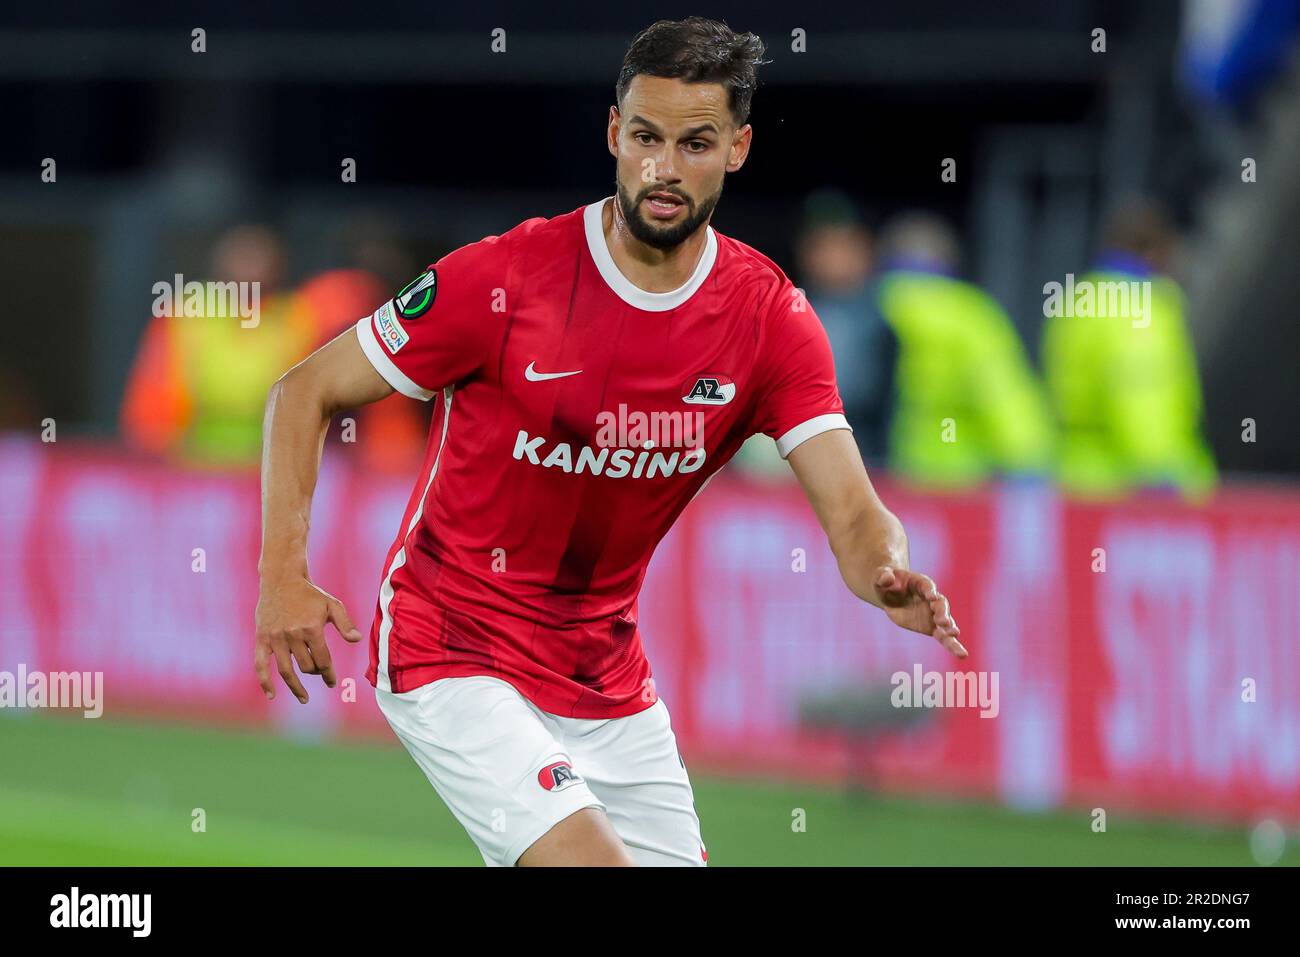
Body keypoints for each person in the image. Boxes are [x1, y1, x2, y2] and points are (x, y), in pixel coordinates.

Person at [254, 17, 964, 868]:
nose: (665, 168)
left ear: (737, 148)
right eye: (647, 137)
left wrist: (884, 571)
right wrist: (282, 576)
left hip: (605, 679)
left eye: (695, 143)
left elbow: (854, 512)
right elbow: (303, 391)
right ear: (614, 134)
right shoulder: (506, 278)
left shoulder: (769, 321)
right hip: (453, 644)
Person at [1042, 198, 1216, 500]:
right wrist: (1161, 477)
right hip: (1132, 493)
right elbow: (1141, 397)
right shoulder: (1138, 309)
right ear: (1154, 251)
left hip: (1074, 481)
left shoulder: (1076, 302)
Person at [875, 212, 1053, 489]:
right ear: (945, 260)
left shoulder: (867, 305)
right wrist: (1027, 461)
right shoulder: (967, 313)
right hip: (953, 477)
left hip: (868, 472)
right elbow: (1000, 393)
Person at [794, 189, 897, 466]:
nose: (831, 257)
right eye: (820, 245)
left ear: (864, 250)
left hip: (869, 461)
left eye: (842, 245)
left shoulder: (888, 312)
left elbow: (872, 396)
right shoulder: (791, 307)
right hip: (799, 458)